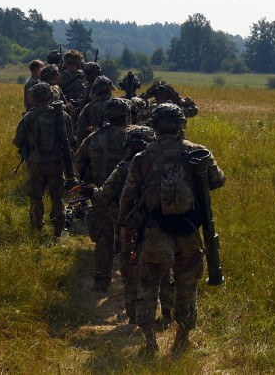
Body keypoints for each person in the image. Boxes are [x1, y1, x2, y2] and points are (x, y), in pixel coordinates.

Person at [118, 103, 226, 356]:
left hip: (155, 232)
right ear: (181, 125)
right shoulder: (198, 152)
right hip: (189, 232)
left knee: (148, 283)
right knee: (187, 285)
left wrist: (125, 226)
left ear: (154, 126)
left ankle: (149, 342)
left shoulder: (143, 157)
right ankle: (182, 338)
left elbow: (128, 195)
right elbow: (218, 180)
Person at [91, 125, 175, 326]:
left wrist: (92, 191)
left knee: (130, 271)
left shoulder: (122, 168)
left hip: (130, 228)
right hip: (160, 226)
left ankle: (134, 315)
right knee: (164, 270)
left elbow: (104, 196)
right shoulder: (162, 166)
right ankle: (167, 312)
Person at [73, 98, 131, 291]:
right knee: (129, 237)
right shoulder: (134, 137)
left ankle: (101, 281)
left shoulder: (94, 137)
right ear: (125, 116)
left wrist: (88, 182)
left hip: (99, 195)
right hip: (127, 197)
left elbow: (79, 162)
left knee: (103, 239)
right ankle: (129, 283)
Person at [13, 82, 77, 237]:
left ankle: (36, 228)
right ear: (50, 97)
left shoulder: (29, 117)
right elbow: (71, 140)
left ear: (33, 98)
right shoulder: (62, 117)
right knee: (57, 198)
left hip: (35, 163)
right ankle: (58, 230)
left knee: (36, 197)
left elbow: (17, 141)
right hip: (56, 164)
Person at [74, 75, 113, 145]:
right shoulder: (117, 105)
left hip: (94, 145)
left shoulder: (89, 107)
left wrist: (80, 147)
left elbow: (80, 131)